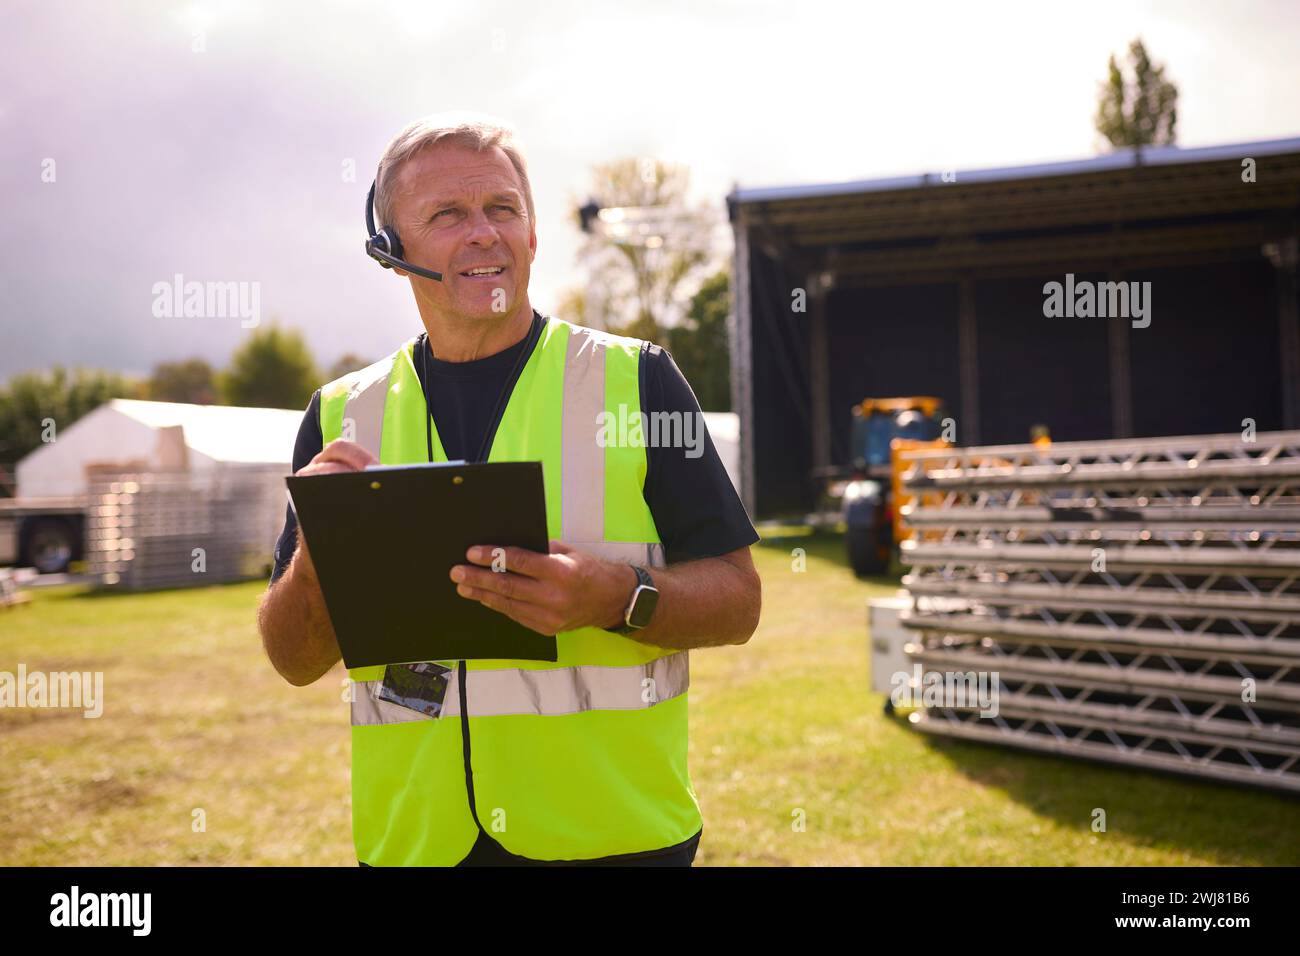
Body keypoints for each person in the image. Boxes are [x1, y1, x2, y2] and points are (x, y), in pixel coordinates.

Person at [256, 112, 761, 867]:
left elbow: (739, 599)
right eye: (447, 215)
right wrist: (321, 557)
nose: (484, 233)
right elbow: (293, 660)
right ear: (392, 253)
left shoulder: (637, 379)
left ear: (532, 237)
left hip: (612, 840)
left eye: (503, 210)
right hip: (417, 846)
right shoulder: (338, 415)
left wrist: (614, 598)